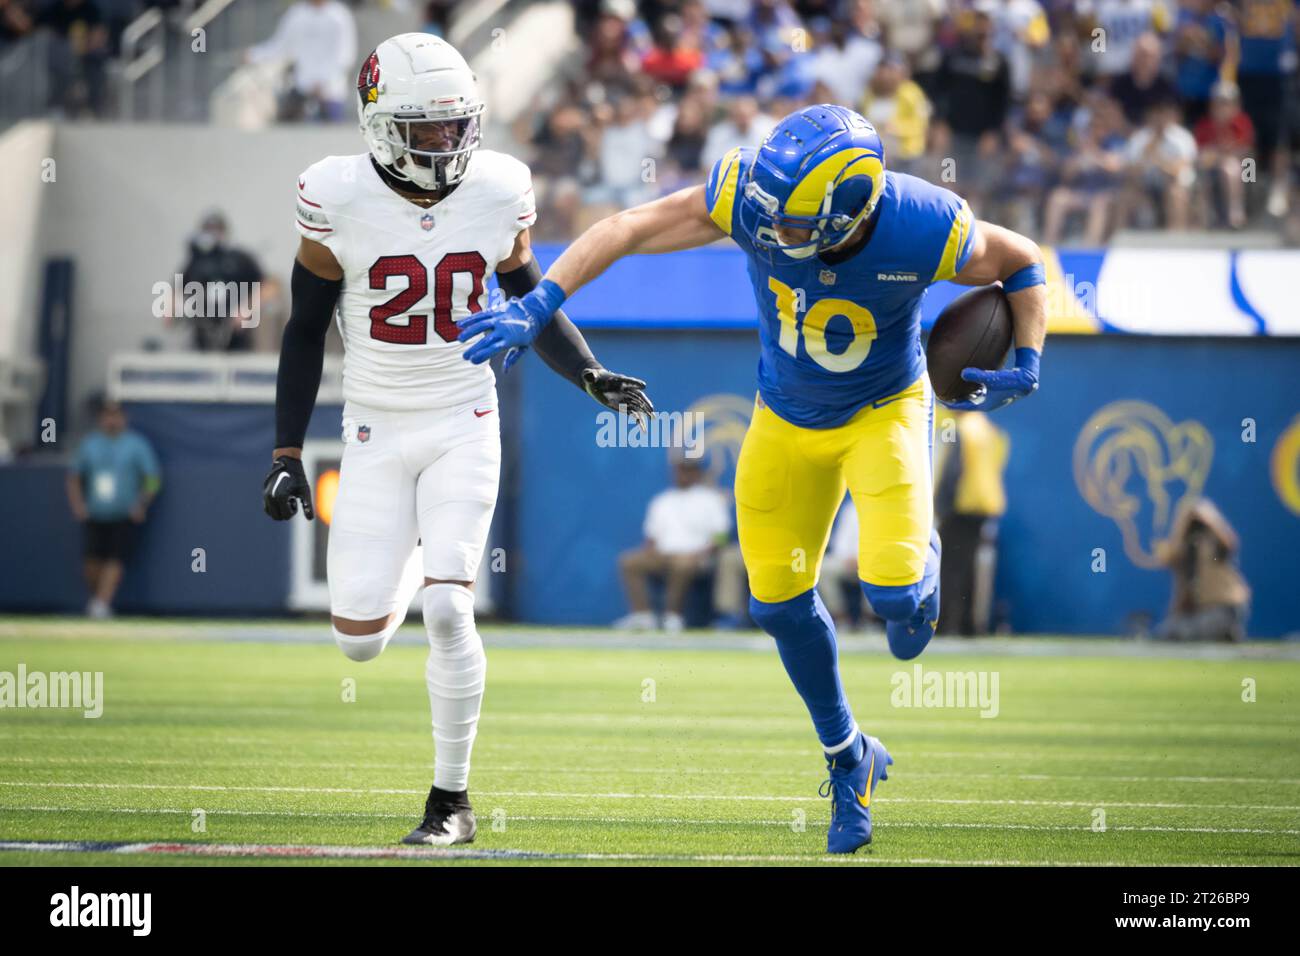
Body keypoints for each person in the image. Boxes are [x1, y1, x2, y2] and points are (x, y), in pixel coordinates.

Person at [458, 104, 1047, 853]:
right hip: (786, 417)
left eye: (794, 225)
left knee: (896, 603)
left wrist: (1028, 359)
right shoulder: (751, 196)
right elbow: (628, 227)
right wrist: (539, 301)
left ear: (850, 211)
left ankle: (915, 565)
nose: (770, 234)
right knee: (776, 604)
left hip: (883, 410)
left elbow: (1021, 259)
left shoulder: (923, 221)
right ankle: (849, 756)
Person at [260, 34, 652, 847]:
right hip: (372, 426)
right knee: (359, 642)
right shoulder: (334, 193)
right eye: (425, 130)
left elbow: (528, 300)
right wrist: (286, 453)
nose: (447, 144)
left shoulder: (500, 187)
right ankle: (419, 561)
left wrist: (589, 375)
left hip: (464, 419)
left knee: (448, 607)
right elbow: (303, 329)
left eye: (455, 126)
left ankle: (451, 803)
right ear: (377, 124)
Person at [66, 397, 161, 619]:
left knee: (115, 559)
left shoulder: (137, 444)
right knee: (92, 561)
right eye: (107, 416)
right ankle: (97, 599)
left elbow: (153, 478)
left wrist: (141, 503)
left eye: (116, 416)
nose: (112, 421)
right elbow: (74, 477)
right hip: (95, 512)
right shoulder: (89, 444)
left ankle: (101, 603)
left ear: (124, 419)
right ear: (101, 419)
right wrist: (78, 505)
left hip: (123, 513)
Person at [615, 457, 732, 632]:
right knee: (628, 561)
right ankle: (643, 616)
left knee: (683, 564)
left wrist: (701, 553)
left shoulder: (711, 499)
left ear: (696, 474)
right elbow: (651, 536)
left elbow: (722, 537)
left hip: (698, 557)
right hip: (663, 555)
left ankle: (672, 617)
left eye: (688, 471)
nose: (683, 475)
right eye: (680, 471)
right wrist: (651, 551)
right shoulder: (662, 500)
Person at [933, 410, 1008, 636]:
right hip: (983, 506)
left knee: (950, 567)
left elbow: (953, 471)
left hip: (960, 505)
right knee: (969, 567)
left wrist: (941, 506)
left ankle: (946, 623)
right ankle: (968, 624)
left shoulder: (960, 429)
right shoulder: (987, 429)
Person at [1155, 498, 1250, 642]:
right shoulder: (1184, 552)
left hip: (1224, 608)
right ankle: (1221, 633)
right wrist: (1182, 520)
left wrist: (1205, 513)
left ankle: (1226, 632)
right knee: (1169, 631)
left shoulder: (1215, 543)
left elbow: (1230, 542)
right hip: (1200, 611)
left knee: (1186, 633)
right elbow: (1169, 557)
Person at [246, 0, 357, 122]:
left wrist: (323, 83)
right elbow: (280, 46)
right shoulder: (296, 14)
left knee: (331, 137)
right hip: (302, 90)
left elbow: (346, 55)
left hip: (331, 93)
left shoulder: (340, 15)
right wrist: (253, 55)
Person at [173, 211, 264, 352]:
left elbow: (269, 285)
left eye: (216, 230)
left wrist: (247, 307)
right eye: (208, 230)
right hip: (202, 338)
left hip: (236, 339)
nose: (213, 235)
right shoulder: (196, 262)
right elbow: (178, 289)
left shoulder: (239, 259)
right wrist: (175, 307)